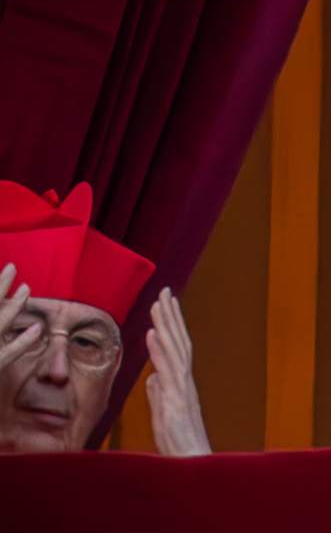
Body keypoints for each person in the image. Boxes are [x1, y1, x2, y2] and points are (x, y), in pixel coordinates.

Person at [0, 181, 210, 454]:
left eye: (86, 343)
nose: (58, 370)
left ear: (113, 375)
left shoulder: (130, 496)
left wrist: (195, 469)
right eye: (23, 332)